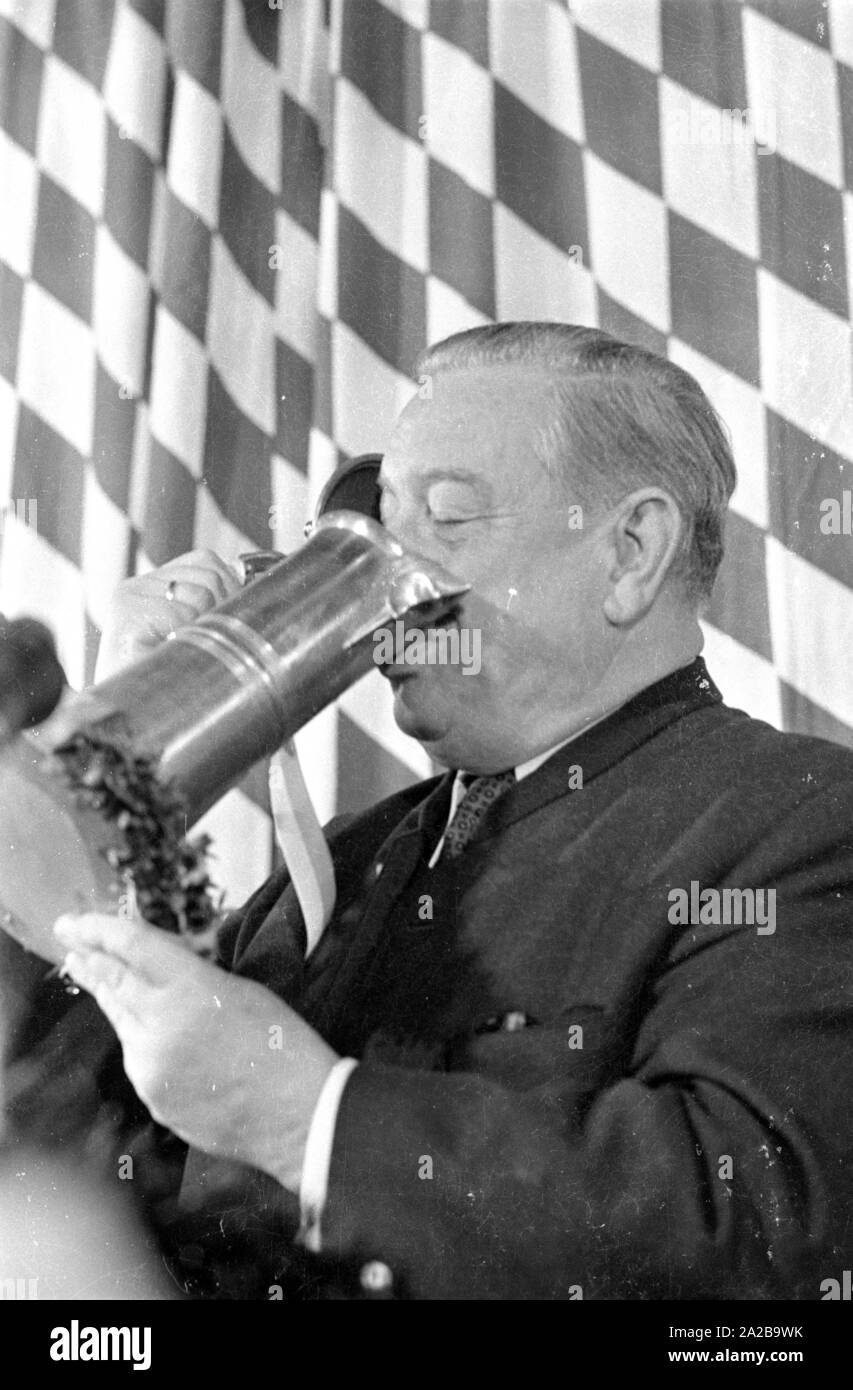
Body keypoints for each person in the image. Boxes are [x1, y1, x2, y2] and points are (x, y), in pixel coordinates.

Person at [50, 323, 853, 1300]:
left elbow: (752, 1223)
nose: (389, 582)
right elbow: (67, 1165)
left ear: (630, 552)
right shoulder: (352, 855)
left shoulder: (801, 821)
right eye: (377, 528)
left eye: (448, 518)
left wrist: (310, 1119)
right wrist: (109, 767)